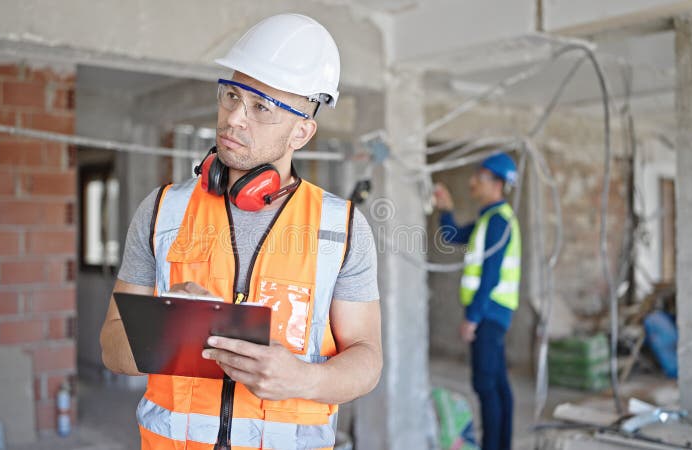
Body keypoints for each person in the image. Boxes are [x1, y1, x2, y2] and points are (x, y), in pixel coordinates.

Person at [99, 14, 382, 450]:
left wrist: (304, 378)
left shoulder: (340, 227)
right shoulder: (162, 211)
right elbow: (111, 349)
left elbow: (367, 359)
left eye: (261, 108)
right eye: (231, 95)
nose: (234, 118)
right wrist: (169, 328)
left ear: (302, 132)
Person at [433, 153, 521, 450]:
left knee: (485, 385)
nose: (472, 182)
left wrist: (473, 317)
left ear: (496, 183)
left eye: (479, 176)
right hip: (493, 312)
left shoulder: (498, 221)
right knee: (497, 385)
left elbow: (490, 275)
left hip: (489, 313)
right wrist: (445, 209)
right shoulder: (489, 218)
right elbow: (452, 235)